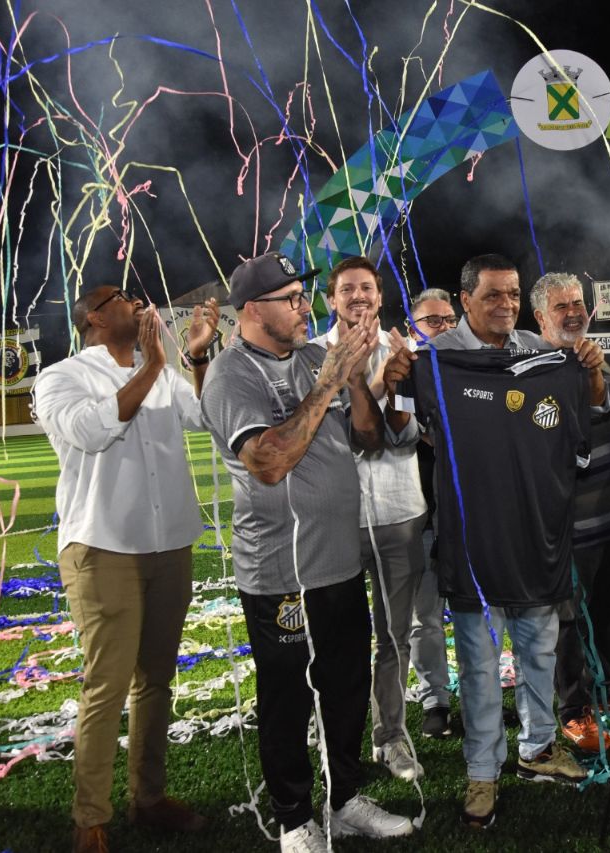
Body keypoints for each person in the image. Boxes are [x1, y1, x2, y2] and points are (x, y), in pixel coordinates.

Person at [383, 254, 604, 829]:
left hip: (538, 538)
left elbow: (590, 415)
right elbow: (397, 429)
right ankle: (482, 770)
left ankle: (538, 749)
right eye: (493, 296)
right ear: (465, 300)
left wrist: (589, 368)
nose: (506, 305)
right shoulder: (433, 362)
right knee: (480, 668)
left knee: (540, 652)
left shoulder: (541, 354)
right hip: (472, 542)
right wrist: (394, 381)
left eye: (513, 294)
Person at [200, 252, 412, 851]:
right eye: (290, 298)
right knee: (289, 696)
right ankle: (295, 817)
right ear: (252, 310)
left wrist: (356, 380)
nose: (304, 307)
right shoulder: (230, 375)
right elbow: (268, 462)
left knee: (346, 686)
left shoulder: (320, 358)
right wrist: (326, 383)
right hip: (280, 570)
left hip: (340, 560)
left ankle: (344, 799)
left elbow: (367, 438)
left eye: (303, 295)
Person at [33, 286, 218, 853]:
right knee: (107, 686)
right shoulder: (60, 376)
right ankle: (90, 819)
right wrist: (157, 364)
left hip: (169, 545)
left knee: (157, 680)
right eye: (122, 297)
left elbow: (205, 416)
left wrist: (198, 358)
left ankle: (149, 798)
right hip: (102, 546)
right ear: (93, 315)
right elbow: (92, 431)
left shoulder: (159, 371)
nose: (138, 302)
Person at [314, 257, 429, 780]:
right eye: (346, 289)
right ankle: (333, 740)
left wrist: (387, 386)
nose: (357, 296)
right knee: (334, 638)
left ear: (379, 297)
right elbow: (330, 439)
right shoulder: (311, 356)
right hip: (335, 517)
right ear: (331, 300)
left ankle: (392, 736)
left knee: (395, 635)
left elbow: (406, 437)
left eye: (366, 288)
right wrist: (371, 386)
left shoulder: (405, 352)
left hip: (400, 511)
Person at [531, 273, 610, 753]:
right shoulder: (534, 373)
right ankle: (575, 709)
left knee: (607, 611)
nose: (572, 312)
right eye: (560, 306)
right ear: (540, 317)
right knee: (569, 622)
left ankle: (608, 688)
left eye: (578, 303)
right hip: (568, 527)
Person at [404, 288, 461, 739]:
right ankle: (434, 700)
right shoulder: (404, 372)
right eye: (432, 320)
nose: (442, 327)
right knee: (426, 615)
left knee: (478, 610)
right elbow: (400, 433)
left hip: (467, 513)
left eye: (448, 319)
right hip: (421, 510)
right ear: (412, 328)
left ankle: (480, 693)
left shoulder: (468, 367)